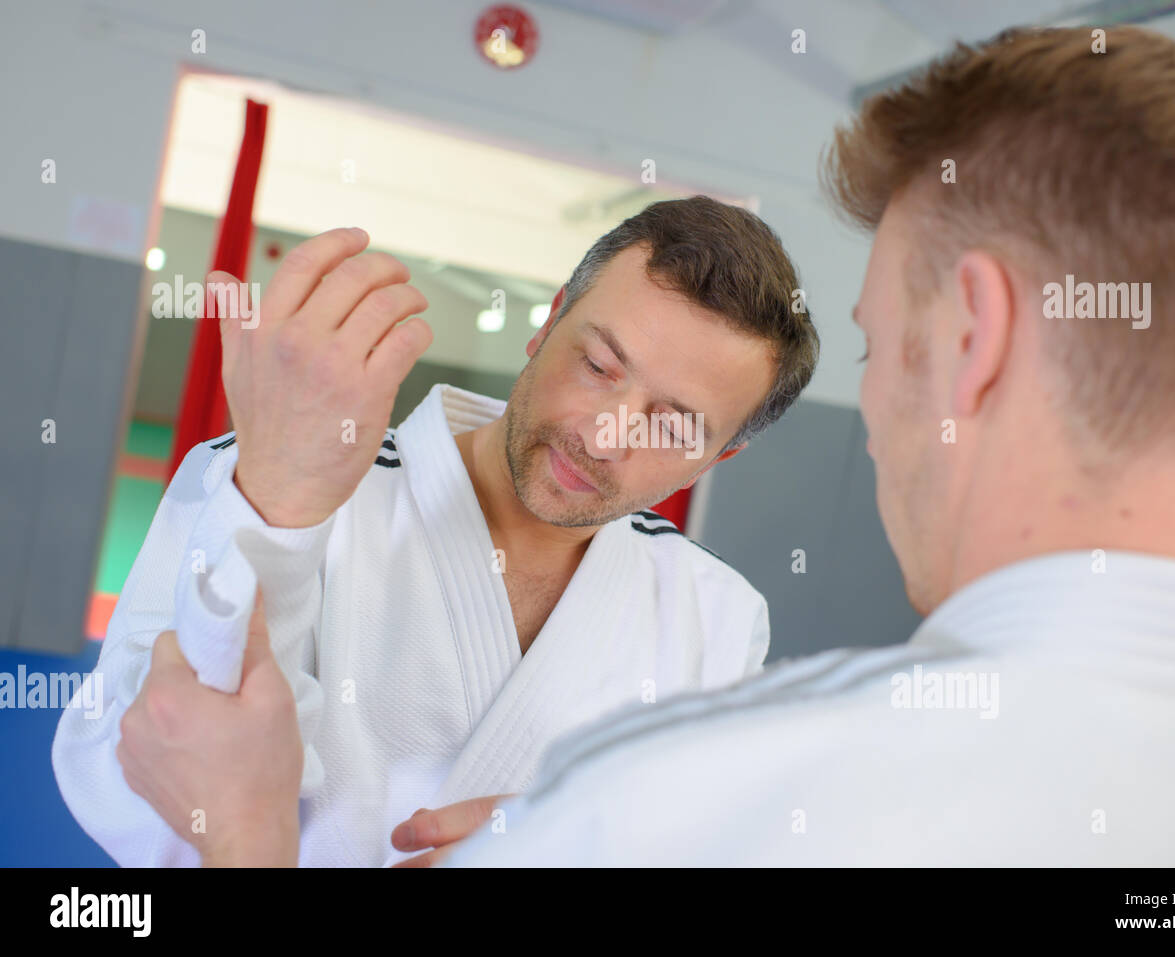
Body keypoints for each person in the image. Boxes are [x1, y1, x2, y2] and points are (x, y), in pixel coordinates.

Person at [114, 24, 1175, 867]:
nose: (608, 430)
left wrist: (255, 842)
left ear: (976, 335)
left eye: (885, 348)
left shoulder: (737, 785)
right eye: (598, 362)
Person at [53, 196, 820, 866]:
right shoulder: (269, 479)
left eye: (674, 423)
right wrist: (279, 509)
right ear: (548, 322)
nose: (608, 435)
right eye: (596, 365)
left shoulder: (717, 612)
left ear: (717, 456)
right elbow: (119, 769)